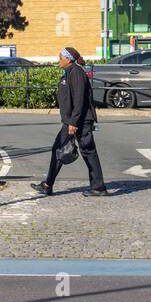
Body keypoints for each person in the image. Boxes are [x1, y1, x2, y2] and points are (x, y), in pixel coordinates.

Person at [32, 47, 108, 197]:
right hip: (72, 120)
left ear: (68, 59)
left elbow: (79, 99)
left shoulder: (77, 72)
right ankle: (48, 184)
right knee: (60, 149)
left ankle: (98, 187)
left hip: (79, 121)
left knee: (87, 152)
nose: (58, 60)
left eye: (60, 57)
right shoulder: (70, 72)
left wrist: (73, 122)